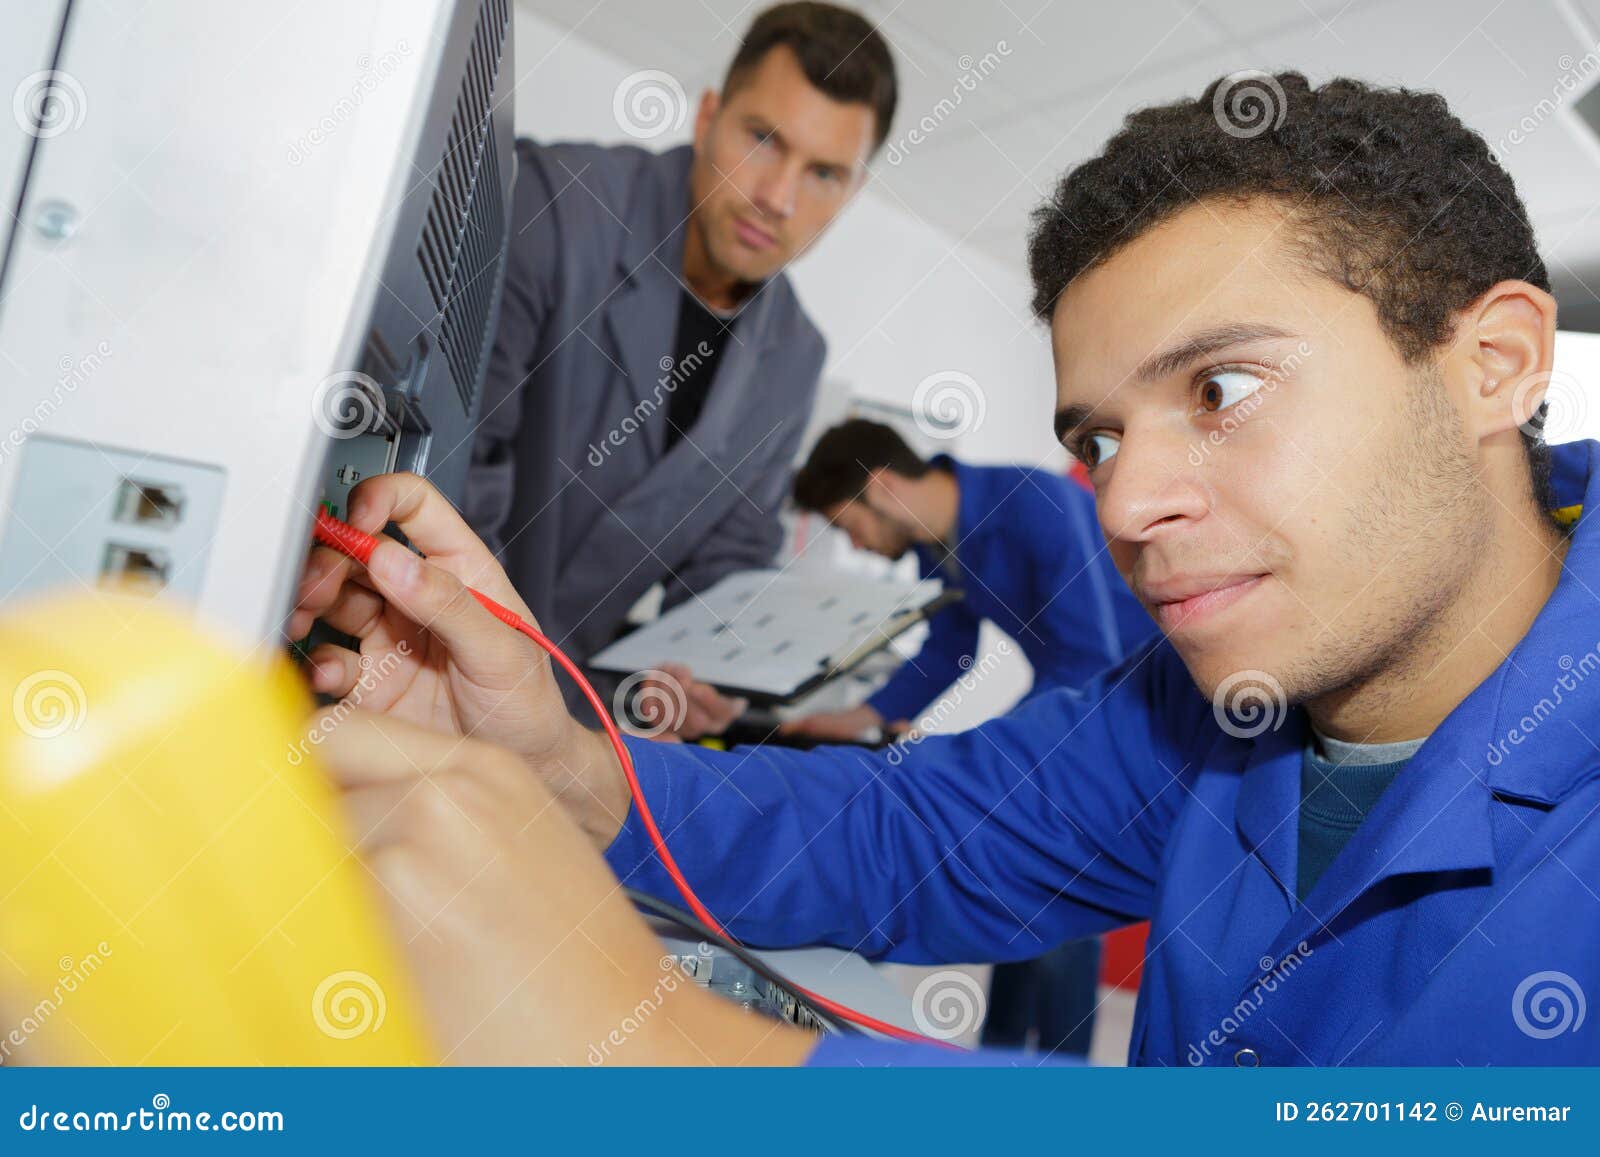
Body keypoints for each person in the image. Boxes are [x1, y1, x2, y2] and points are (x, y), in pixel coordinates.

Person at [294, 72, 1600, 1065]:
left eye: (1224, 385)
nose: (1127, 500)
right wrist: (560, 765)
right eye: (1097, 437)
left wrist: (662, 1042)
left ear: (1492, 365)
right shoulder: (1215, 717)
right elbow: (911, 832)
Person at [464, 3, 895, 706]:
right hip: (417, 653)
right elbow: (452, 470)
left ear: (851, 191)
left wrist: (705, 675)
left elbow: (728, 563)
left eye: (823, 174)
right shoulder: (555, 207)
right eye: (763, 139)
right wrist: (507, 679)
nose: (777, 199)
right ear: (708, 118)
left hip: (570, 712)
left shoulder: (795, 358)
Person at [782, 417, 1157, 1056]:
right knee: (1023, 899)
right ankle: (1003, 1059)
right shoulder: (941, 543)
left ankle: (1062, 1086)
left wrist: (982, 750)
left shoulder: (1030, 506)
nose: (864, 548)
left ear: (881, 487)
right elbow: (948, 650)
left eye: (852, 528)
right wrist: (857, 717)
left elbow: (1088, 657)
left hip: (1138, 718)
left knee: (1063, 918)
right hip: (1075, 708)